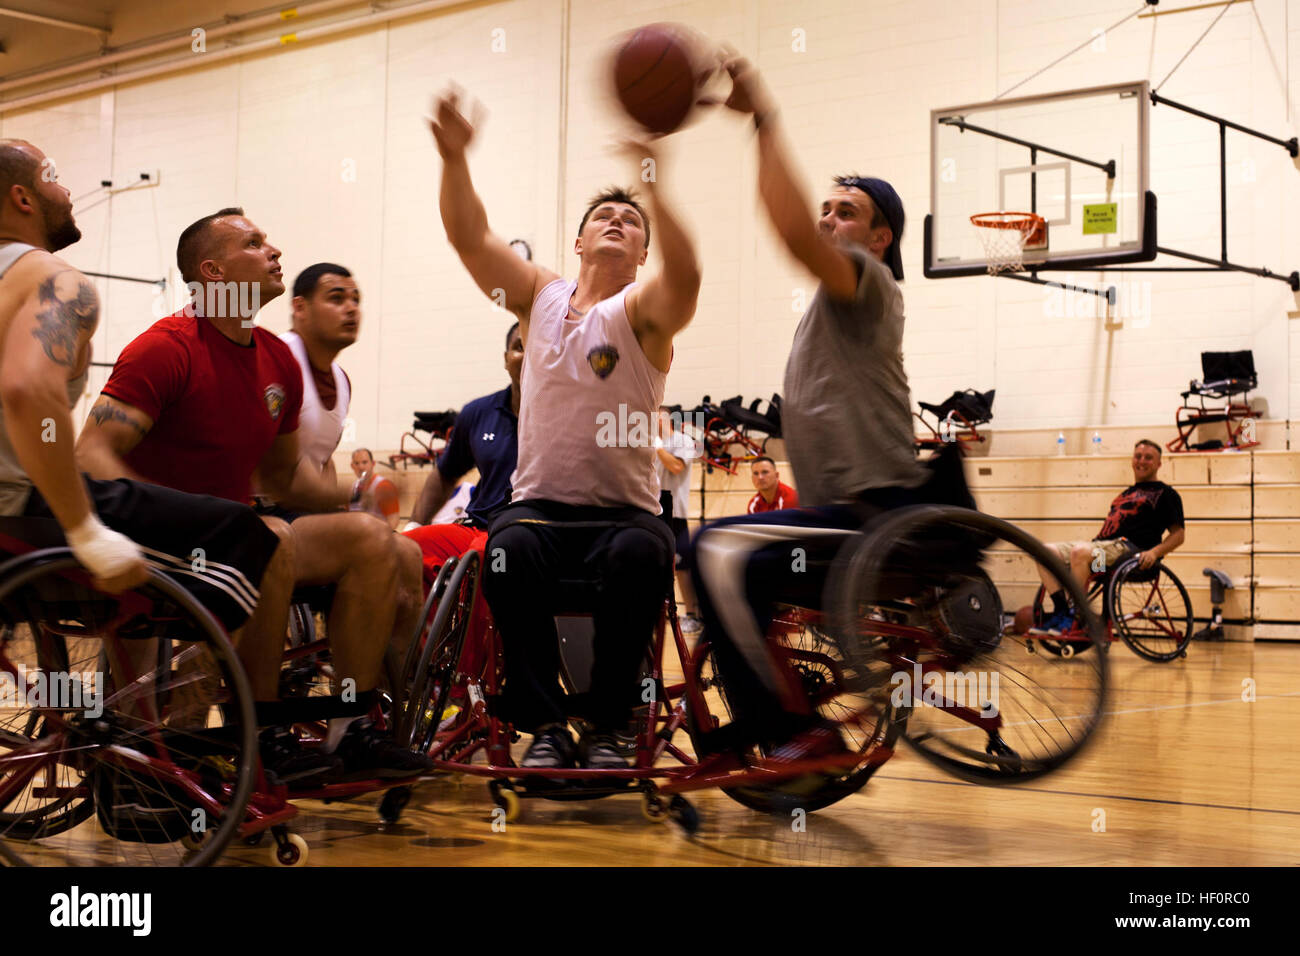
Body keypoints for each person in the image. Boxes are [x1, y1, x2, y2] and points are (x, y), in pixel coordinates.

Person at [0, 140, 330, 783]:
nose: (68, 190)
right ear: (23, 198)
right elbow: (27, 392)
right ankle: (236, 738)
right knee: (253, 541)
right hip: (19, 512)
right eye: (56, 178)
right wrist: (83, 527)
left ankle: (155, 741)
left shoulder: (276, 356)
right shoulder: (53, 280)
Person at [75, 207, 430, 780]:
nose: (274, 251)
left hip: (233, 537)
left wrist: (359, 495)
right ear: (213, 272)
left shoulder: (275, 359)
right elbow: (91, 453)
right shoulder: (165, 348)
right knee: (271, 538)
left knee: (370, 541)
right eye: (255, 243)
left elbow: (284, 479)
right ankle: (261, 733)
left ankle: (350, 727)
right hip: (163, 543)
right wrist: (179, 514)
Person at [689, 52, 954, 758]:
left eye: (848, 212)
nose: (830, 219)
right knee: (727, 562)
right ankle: (773, 717)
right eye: (826, 209)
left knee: (711, 549)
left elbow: (794, 238)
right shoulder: (830, 310)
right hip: (843, 514)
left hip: (875, 515)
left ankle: (793, 731)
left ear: (879, 238)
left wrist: (764, 121)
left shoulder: (868, 283)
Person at [430, 86, 700, 770]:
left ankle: (610, 726)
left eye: (630, 221)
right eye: (603, 216)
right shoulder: (537, 295)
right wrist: (455, 158)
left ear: (641, 252)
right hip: (540, 513)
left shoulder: (644, 311)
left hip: (624, 514)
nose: (617, 220)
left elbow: (689, 275)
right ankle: (545, 725)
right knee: (503, 552)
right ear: (578, 241)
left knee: (644, 554)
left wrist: (655, 188)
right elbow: (469, 239)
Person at [403, 320, 522, 577]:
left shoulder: (564, 414)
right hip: (476, 526)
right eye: (519, 347)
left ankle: (481, 618)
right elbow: (445, 473)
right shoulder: (478, 413)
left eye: (537, 346)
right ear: (506, 358)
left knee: (483, 554)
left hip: (525, 532)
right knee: (403, 548)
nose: (527, 354)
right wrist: (413, 524)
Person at [1036, 439, 1186, 633]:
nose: (1142, 461)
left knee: (1081, 552)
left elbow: (1179, 535)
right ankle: (1062, 611)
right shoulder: (1123, 495)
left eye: (1149, 458)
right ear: (1132, 460)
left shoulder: (1166, 493)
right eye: (1138, 456)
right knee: (1043, 552)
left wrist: (1155, 553)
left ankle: (1077, 615)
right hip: (1101, 560)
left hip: (1129, 555)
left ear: (1159, 464)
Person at [654, 406, 702, 633]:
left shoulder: (682, 440)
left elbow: (675, 466)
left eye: (658, 414)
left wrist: (656, 445)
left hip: (675, 512)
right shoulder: (651, 445)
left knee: (682, 565)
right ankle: (659, 611)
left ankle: (692, 615)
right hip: (653, 511)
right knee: (656, 564)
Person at [349, 448, 400, 529]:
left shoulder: (384, 486)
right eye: (356, 463)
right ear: (352, 466)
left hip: (377, 538)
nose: (361, 467)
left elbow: (393, 521)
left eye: (364, 462)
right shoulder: (352, 488)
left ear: (373, 464)